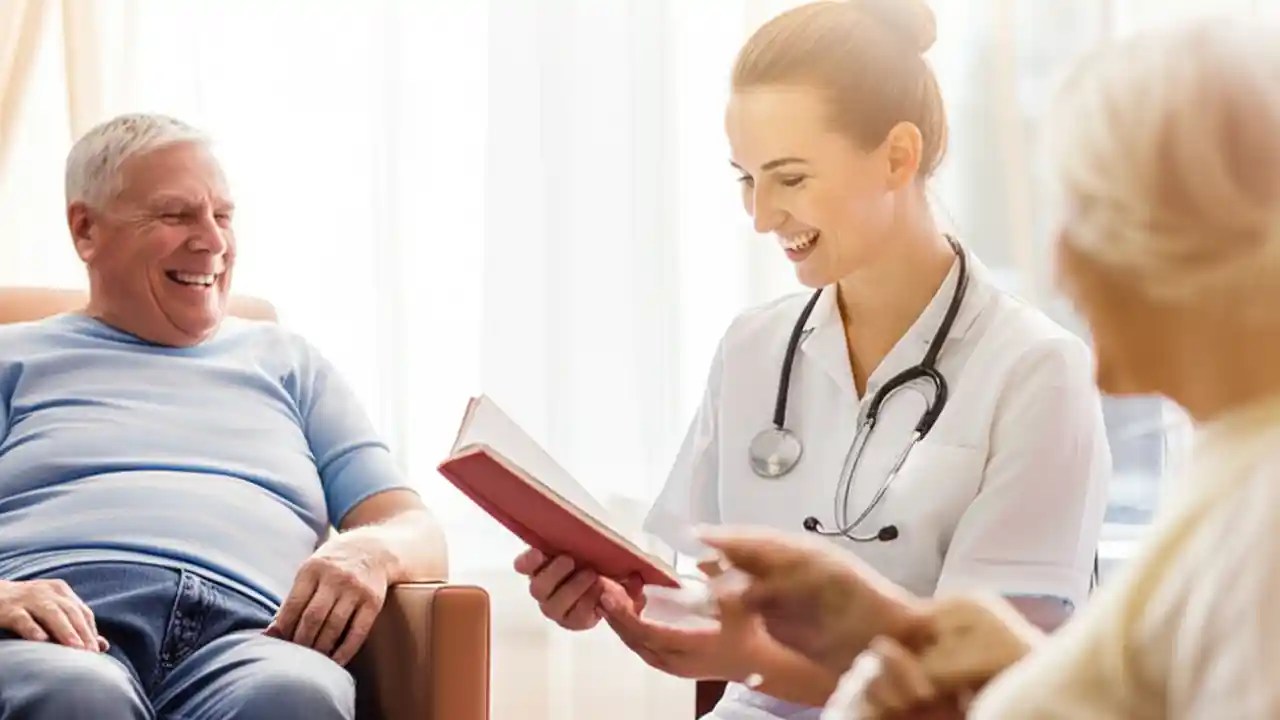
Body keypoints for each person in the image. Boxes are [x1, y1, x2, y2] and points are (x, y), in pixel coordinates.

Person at [513, 1, 1112, 717]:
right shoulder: (753, 349)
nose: (761, 217)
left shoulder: (1037, 371)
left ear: (897, 156)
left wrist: (759, 663)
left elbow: (984, 691)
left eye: (790, 179)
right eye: (745, 179)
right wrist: (612, 595)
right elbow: (691, 587)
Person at [703, 15, 1280, 720]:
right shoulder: (1229, 469)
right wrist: (898, 633)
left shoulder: (1260, 516)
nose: (1061, 258)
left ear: (1187, 246)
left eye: (1085, 212)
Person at [0, 113, 448, 720]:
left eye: (224, 215)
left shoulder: (291, 364)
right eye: (176, 215)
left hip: (252, 638)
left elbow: (413, 526)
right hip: (61, 630)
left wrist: (369, 552)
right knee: (77, 696)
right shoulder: (14, 357)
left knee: (295, 696)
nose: (212, 240)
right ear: (86, 230)